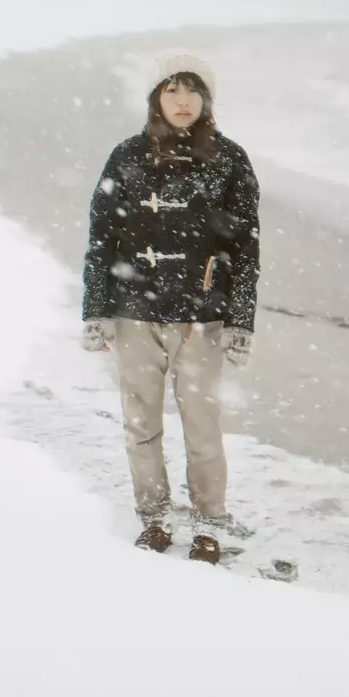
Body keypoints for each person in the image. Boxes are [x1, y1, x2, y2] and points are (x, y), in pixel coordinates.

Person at [81, 52, 260, 564]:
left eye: (192, 90)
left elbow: (247, 247)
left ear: (206, 99)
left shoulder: (229, 159)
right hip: (135, 313)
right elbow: (101, 239)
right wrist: (97, 310)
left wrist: (240, 319)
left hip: (200, 320)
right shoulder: (127, 156)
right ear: (155, 97)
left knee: (202, 426)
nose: (183, 101)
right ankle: (154, 518)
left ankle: (208, 523)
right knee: (141, 424)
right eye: (171, 90)